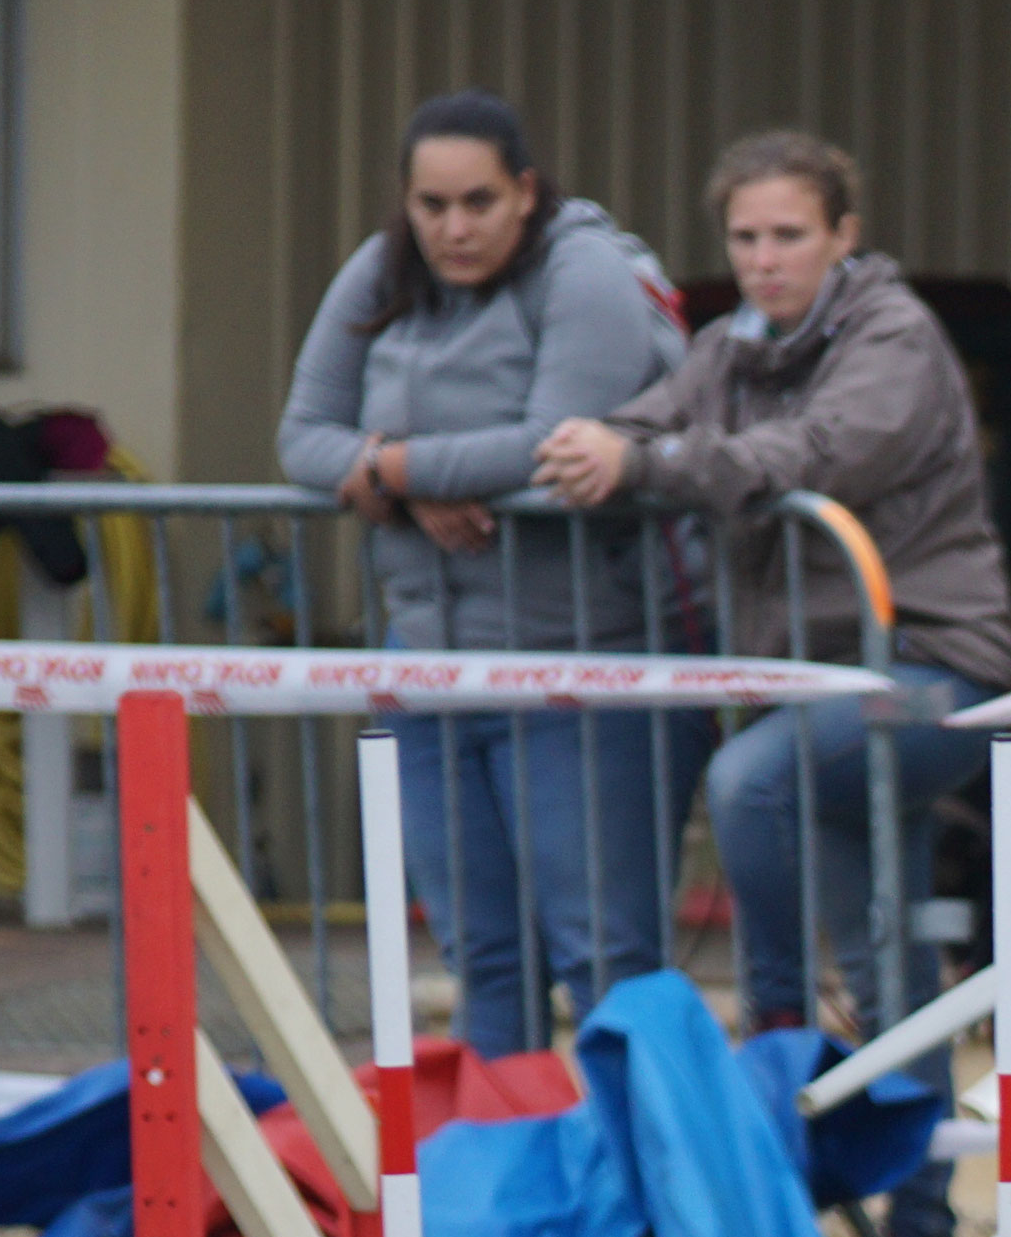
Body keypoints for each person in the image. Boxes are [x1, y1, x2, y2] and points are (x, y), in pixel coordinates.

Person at [538, 130, 1011, 1237]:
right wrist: (599, 443)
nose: (764, 259)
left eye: (789, 234)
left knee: (756, 790)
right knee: (888, 939)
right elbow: (651, 420)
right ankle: (916, 1231)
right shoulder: (727, 349)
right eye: (745, 238)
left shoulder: (894, 337)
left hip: (935, 672)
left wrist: (640, 464)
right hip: (813, 690)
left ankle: (785, 1033)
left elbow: (818, 453)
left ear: (844, 236)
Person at [278, 91, 698, 1059]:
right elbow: (300, 438)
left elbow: (552, 445)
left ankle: (635, 1188)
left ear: (525, 191)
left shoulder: (585, 270)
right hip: (424, 659)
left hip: (575, 659)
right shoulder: (384, 265)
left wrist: (390, 466)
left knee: (604, 956)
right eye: (431, 205)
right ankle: (514, 1181)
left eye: (477, 202)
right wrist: (401, 473)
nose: (452, 229)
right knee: (484, 954)